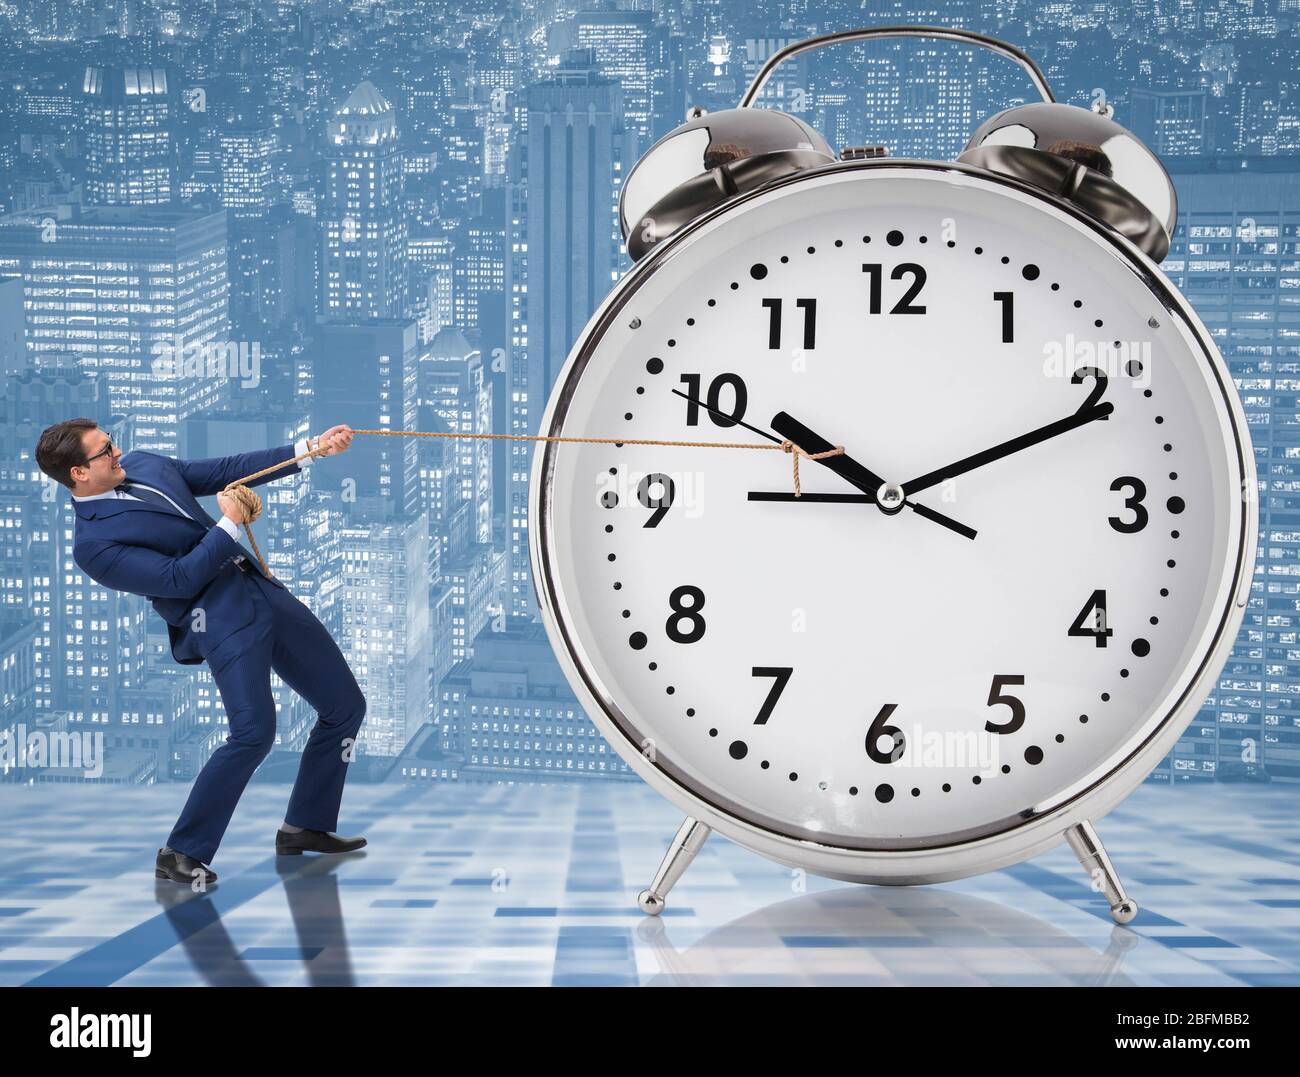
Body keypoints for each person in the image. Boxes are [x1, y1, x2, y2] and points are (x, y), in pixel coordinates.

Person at [36, 419, 369, 886]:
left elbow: (225, 470)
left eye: (111, 442)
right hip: (219, 618)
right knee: (253, 733)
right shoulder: (94, 545)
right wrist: (231, 522)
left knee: (345, 706)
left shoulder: (143, 465)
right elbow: (179, 579)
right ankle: (180, 853)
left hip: (259, 589)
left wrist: (310, 450)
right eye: (104, 451)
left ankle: (305, 826)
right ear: (78, 474)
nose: (118, 452)